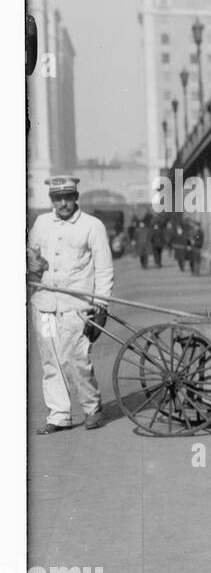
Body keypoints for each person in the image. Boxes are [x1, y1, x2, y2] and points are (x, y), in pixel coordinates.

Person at [27, 176, 113, 434]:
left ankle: (91, 407)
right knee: (51, 360)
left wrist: (101, 307)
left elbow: (104, 269)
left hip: (77, 306)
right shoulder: (41, 223)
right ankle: (59, 414)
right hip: (44, 304)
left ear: (76, 197)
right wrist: (30, 263)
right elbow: (31, 254)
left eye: (68, 197)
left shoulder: (92, 226)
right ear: (52, 199)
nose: (63, 203)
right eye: (57, 198)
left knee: (77, 360)